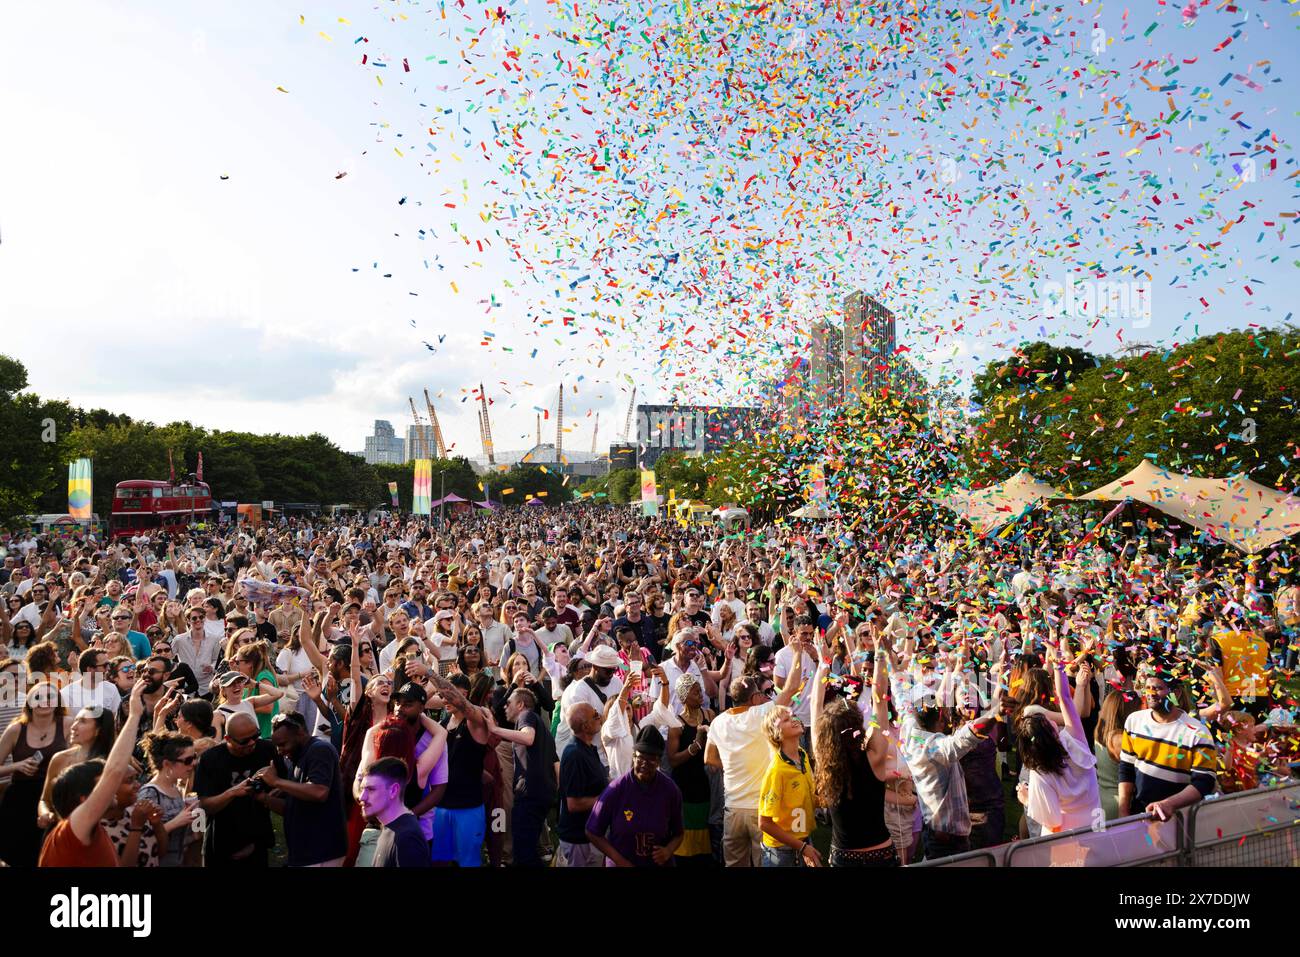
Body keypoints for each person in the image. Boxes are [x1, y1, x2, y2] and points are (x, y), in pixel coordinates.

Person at [704, 655, 802, 867]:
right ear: (755, 698)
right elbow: (793, 686)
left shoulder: (718, 722)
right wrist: (797, 653)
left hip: (733, 809)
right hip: (762, 809)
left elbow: (709, 758)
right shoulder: (762, 713)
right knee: (763, 862)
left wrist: (733, 764)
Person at [39, 678, 146, 866]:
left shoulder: (96, 830)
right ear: (83, 799)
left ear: (98, 730)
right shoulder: (76, 828)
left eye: (82, 721)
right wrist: (134, 715)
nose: (107, 788)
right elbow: (113, 772)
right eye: (100, 785)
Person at [810, 639, 897, 867]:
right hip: (881, 854)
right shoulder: (875, 756)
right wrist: (879, 656)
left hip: (844, 857)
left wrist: (823, 663)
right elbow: (880, 699)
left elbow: (815, 704)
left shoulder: (823, 759)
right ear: (859, 725)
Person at [1016, 641, 1102, 834]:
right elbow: (1071, 708)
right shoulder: (1075, 743)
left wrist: (1084, 684)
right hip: (1093, 828)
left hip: (1063, 839)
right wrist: (1061, 669)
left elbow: (1049, 817)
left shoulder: (1041, 771)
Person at [1117, 661, 1218, 821]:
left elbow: (1204, 782)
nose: (1150, 693)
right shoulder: (1134, 721)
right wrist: (1123, 811)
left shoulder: (1197, 732)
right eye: (1148, 687)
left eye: (1157, 688)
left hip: (1177, 819)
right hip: (1139, 815)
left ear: (1176, 693)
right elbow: (1126, 768)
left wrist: (1168, 804)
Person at [255, 711, 349, 867]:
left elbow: (319, 792)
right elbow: (292, 809)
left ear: (300, 733)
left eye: (283, 744)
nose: (280, 751)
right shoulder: (297, 757)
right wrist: (264, 798)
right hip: (304, 853)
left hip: (322, 853)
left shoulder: (320, 750)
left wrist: (277, 782)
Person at [586, 726, 684, 867]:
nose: (644, 764)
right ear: (633, 757)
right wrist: (618, 860)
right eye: (640, 758)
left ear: (658, 761)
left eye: (651, 759)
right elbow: (592, 831)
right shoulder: (616, 790)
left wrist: (668, 851)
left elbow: (679, 833)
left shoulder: (670, 790)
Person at [193, 712, 278, 867]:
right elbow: (205, 806)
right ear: (228, 739)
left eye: (256, 735)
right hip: (220, 840)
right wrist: (232, 793)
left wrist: (272, 789)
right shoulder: (211, 759)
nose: (252, 742)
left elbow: (283, 788)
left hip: (257, 839)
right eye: (244, 741)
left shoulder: (266, 750)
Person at [0, 680, 70, 866]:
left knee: (52, 855)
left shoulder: (68, 724)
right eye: (38, 697)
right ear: (29, 702)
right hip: (20, 800)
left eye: (50, 697)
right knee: (19, 856)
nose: (44, 701)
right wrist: (16, 766)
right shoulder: (16, 729)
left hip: (55, 798)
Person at [490, 686, 557, 866]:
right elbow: (555, 763)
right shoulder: (543, 727)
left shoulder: (526, 717)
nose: (505, 706)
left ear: (520, 705)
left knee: (523, 854)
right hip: (542, 795)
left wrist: (494, 730)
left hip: (530, 796)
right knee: (528, 850)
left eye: (509, 703)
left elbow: (527, 738)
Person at [664, 672, 714, 864]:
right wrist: (696, 745)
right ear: (684, 696)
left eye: (700, 690)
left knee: (705, 834)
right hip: (685, 785)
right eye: (695, 692)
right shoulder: (676, 724)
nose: (700, 694)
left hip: (705, 782)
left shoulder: (709, 715)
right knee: (686, 835)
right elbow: (673, 760)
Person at [556, 702, 607, 867]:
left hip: (591, 835)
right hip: (578, 839)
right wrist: (606, 798)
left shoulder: (589, 748)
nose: (599, 716)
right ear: (585, 727)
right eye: (595, 715)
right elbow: (573, 804)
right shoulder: (574, 754)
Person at [138, 730, 200, 866]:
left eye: (194, 757)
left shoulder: (176, 788)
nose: (194, 763)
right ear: (167, 764)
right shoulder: (150, 794)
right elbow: (141, 838)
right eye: (188, 760)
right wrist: (176, 822)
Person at [359, 756, 431, 868]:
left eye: (371, 789)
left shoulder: (408, 839)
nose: (362, 797)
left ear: (393, 791)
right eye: (362, 788)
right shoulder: (390, 828)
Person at [60, 648, 121, 717]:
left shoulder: (111, 688)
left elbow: (116, 719)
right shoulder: (66, 694)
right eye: (105, 665)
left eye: (108, 664)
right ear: (89, 669)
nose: (108, 668)